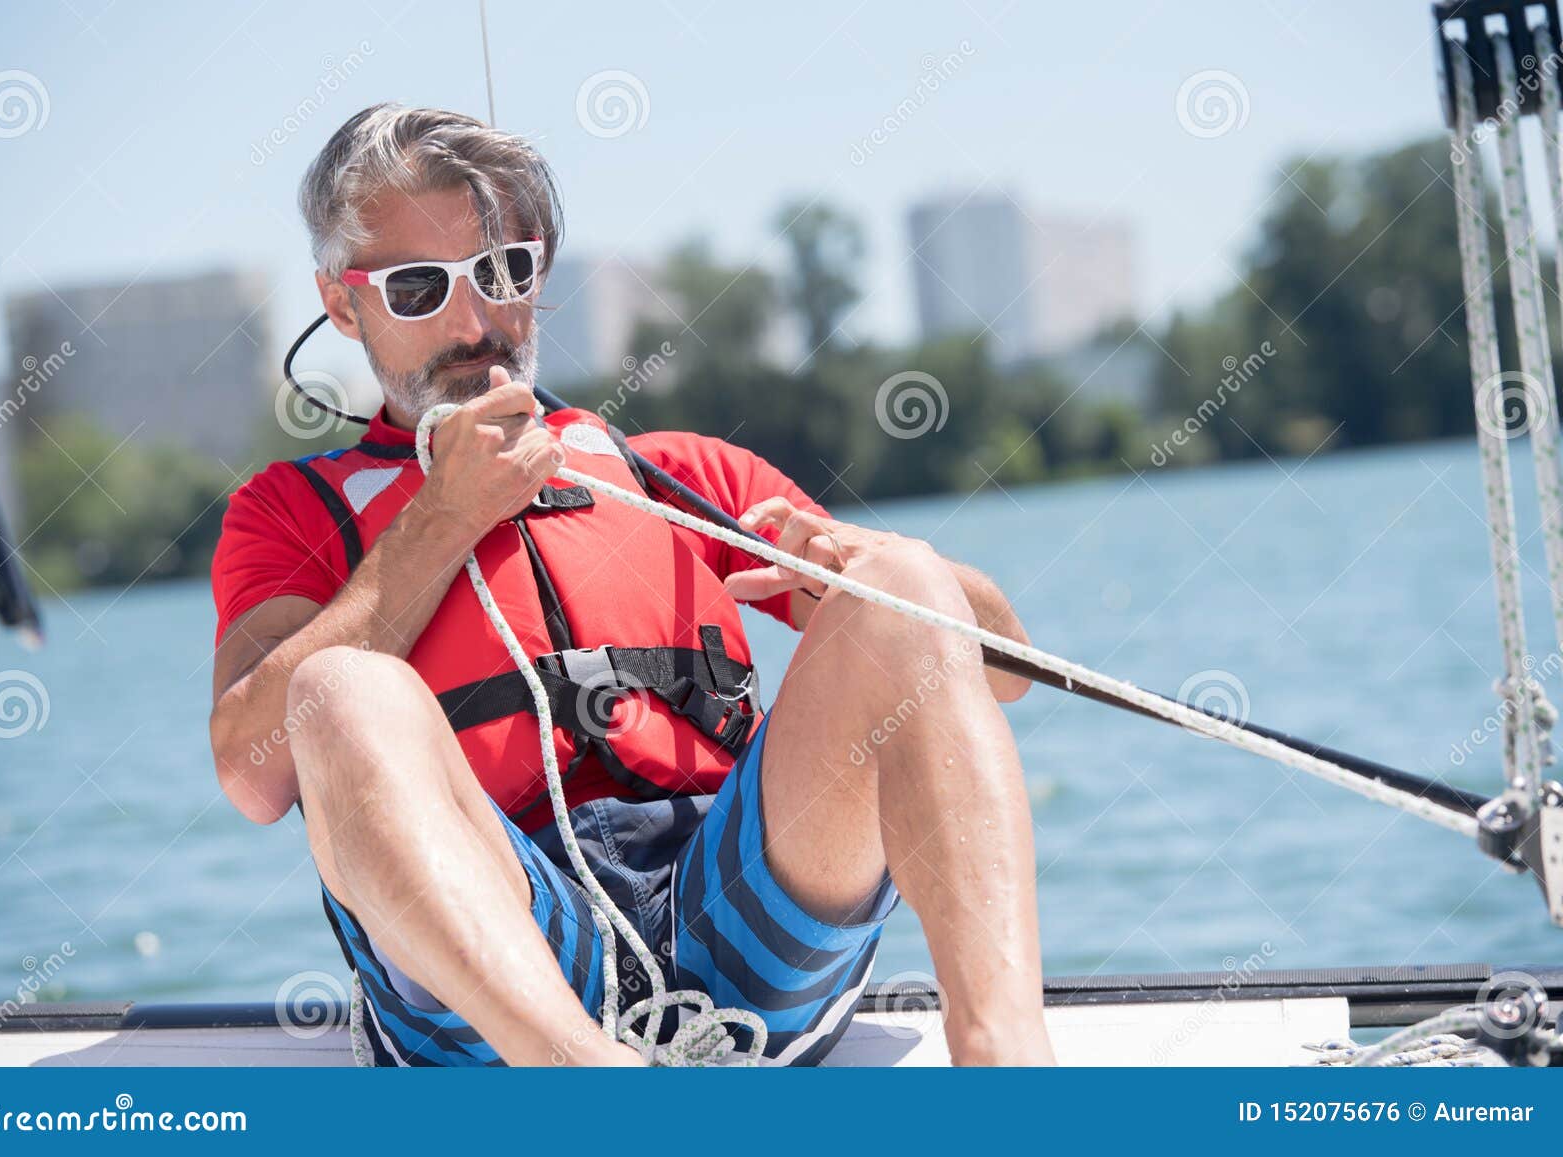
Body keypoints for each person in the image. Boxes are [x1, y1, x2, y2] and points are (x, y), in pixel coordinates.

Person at [208, 103, 1056, 1067]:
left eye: (503, 271)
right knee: (338, 688)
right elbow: (250, 767)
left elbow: (1004, 667)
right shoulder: (289, 513)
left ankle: (1009, 1068)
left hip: (742, 928)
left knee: (903, 576)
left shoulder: (672, 474)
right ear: (343, 303)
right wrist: (442, 520)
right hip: (497, 966)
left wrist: (855, 562)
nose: (473, 321)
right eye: (417, 287)